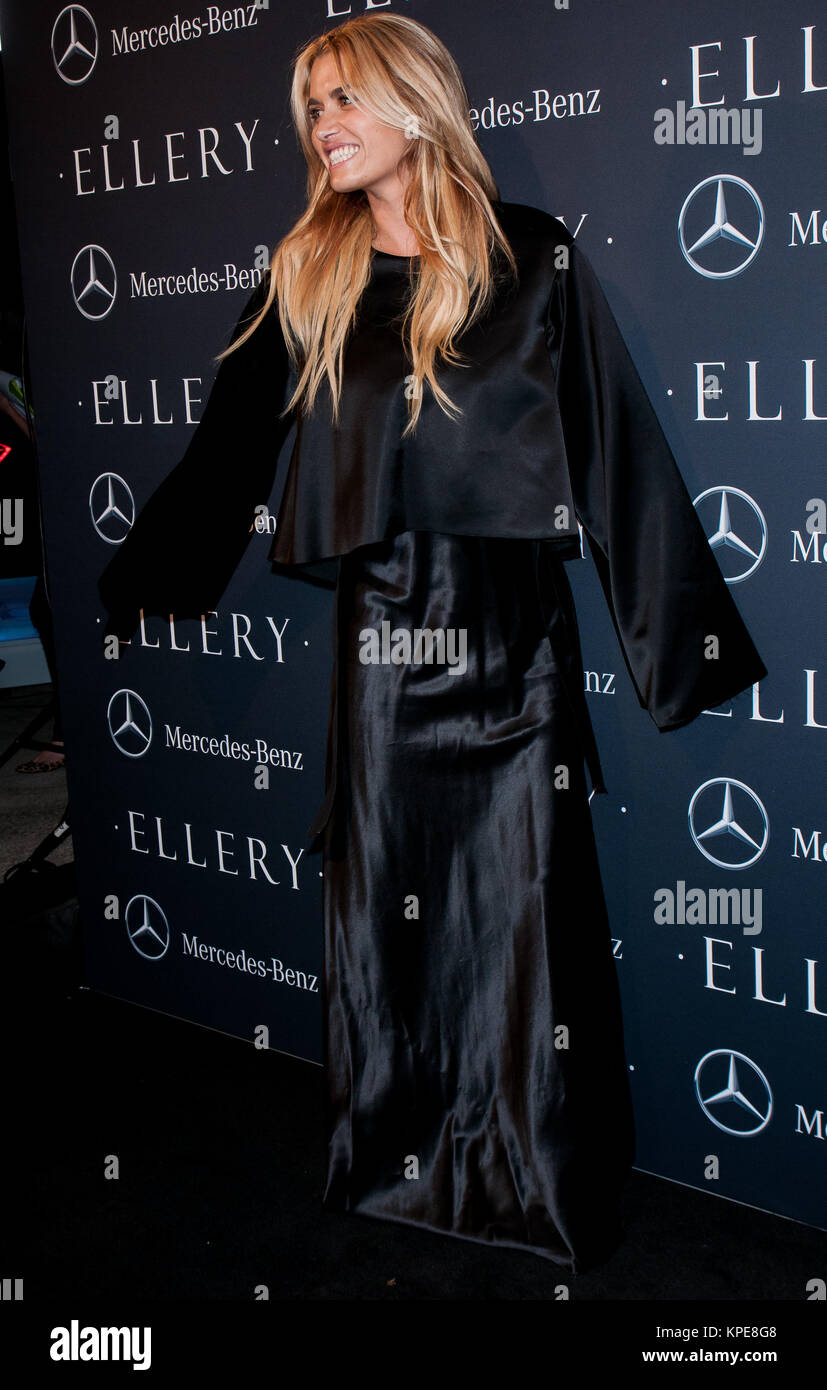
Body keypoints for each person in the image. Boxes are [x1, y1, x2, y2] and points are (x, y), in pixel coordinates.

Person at [98, 13, 765, 1272]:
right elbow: (226, 450)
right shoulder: (307, 271)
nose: (321, 127)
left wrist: (678, 649)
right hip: (379, 661)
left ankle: (537, 1180)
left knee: (526, 927)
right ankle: (398, 1168)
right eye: (309, 109)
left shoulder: (532, 259)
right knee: (386, 929)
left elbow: (617, 454)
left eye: (341, 98)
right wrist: (141, 573)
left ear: (414, 100)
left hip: (512, 653)